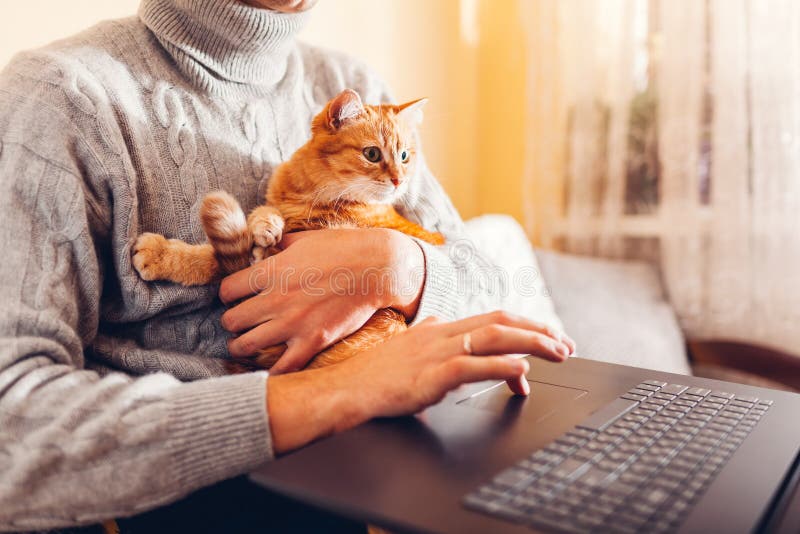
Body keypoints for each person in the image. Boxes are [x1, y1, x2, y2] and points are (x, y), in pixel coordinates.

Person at [0, 0, 575, 530]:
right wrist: (338, 392)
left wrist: (400, 266)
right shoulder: (59, 97)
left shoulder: (355, 85)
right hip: (201, 495)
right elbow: (14, 427)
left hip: (409, 449)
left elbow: (487, 277)